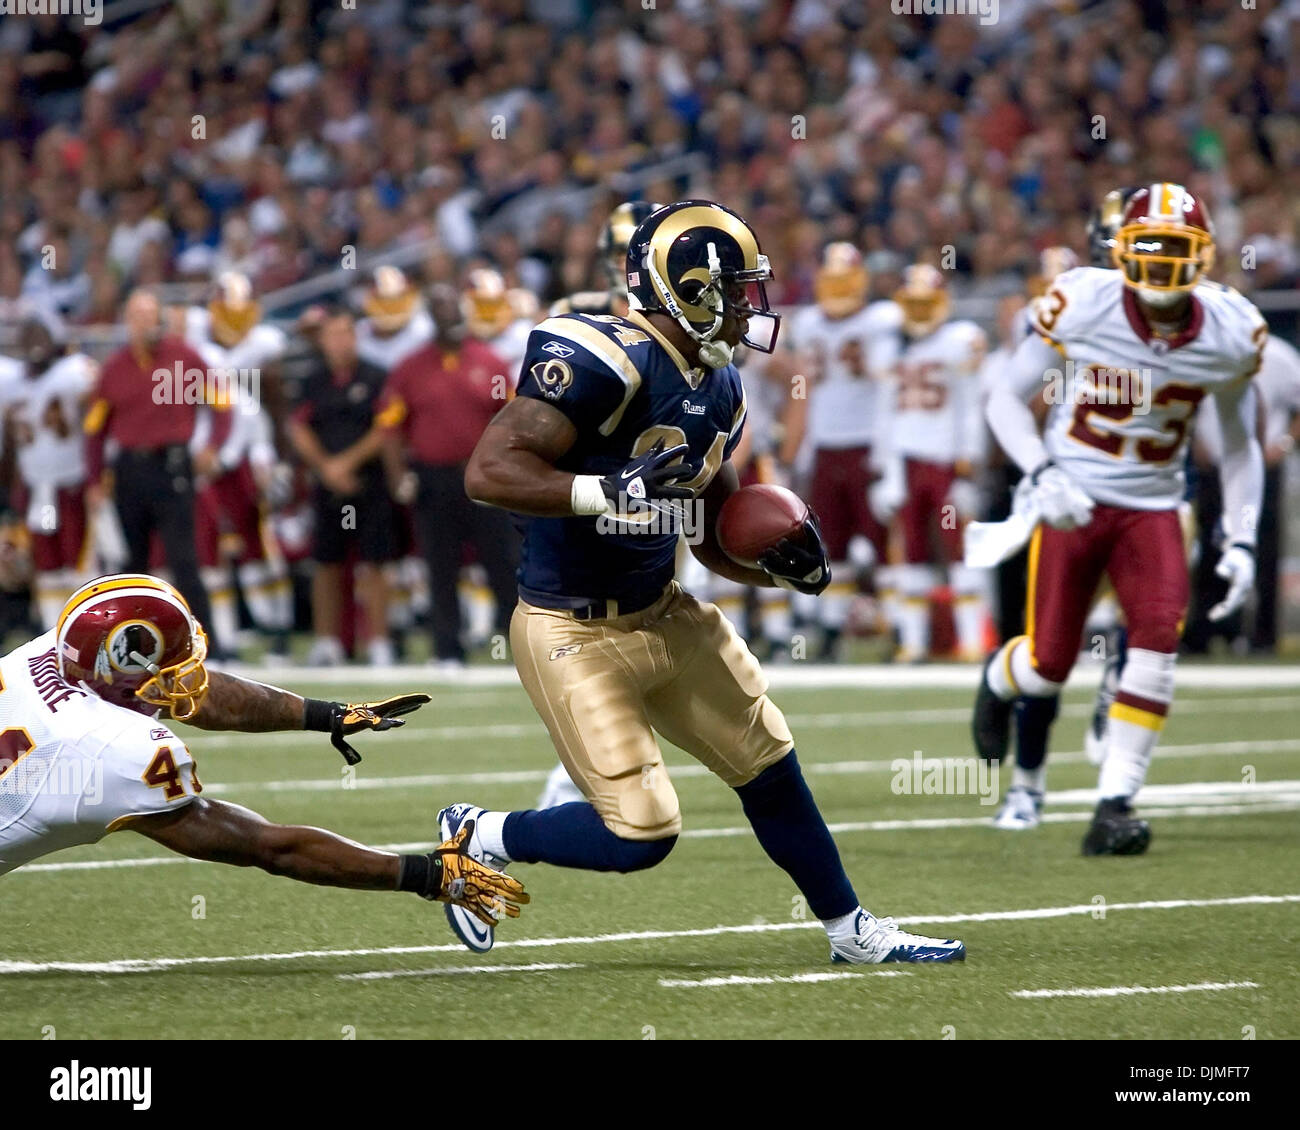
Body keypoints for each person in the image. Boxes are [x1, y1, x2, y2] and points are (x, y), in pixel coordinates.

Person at [449, 199, 966, 965]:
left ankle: (852, 931)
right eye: (735, 293)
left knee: (769, 759)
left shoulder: (719, 387)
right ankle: (480, 833)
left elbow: (713, 532)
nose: (747, 310)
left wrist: (780, 566)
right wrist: (606, 489)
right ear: (686, 290)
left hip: (664, 610)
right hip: (572, 627)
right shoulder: (605, 357)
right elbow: (488, 472)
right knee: (640, 834)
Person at [974, 183, 1266, 855]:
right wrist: (1042, 474)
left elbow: (1243, 444)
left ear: (1205, 257)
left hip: (1154, 504)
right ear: (1121, 251)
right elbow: (1005, 402)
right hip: (1074, 496)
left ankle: (1115, 804)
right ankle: (998, 676)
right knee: (1049, 665)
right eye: (1150, 246)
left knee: (1157, 643)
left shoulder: (1230, 331)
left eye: (1177, 248)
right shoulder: (1081, 301)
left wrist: (1243, 536)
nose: (1163, 263)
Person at [0, 573, 527, 928]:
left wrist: (325, 715)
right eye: (175, 663)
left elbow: (198, 693)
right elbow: (268, 848)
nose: (189, 676)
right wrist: (426, 875)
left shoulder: (58, 652)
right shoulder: (112, 749)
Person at [346, 284, 518, 667]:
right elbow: (390, 424)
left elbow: (510, 420)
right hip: (433, 477)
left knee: (501, 562)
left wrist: (508, 469)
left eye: (451, 309)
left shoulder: (490, 362)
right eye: (439, 310)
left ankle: (517, 645)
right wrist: (397, 475)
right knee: (440, 565)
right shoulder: (410, 367)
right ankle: (447, 649)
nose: (447, 317)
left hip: (484, 476)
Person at [83, 290, 218, 653]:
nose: (145, 324)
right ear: (127, 322)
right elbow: (95, 429)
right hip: (129, 468)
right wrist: (95, 479)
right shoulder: (114, 367)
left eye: (150, 315)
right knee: (131, 563)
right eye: (137, 316)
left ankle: (207, 641)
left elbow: (222, 403)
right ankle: (132, 644)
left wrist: (213, 446)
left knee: (183, 557)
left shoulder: (183, 356)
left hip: (171, 464)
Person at [781, 243, 898, 660]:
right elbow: (802, 391)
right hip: (826, 445)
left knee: (882, 544)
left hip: (867, 444)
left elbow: (888, 381)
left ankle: (897, 629)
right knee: (831, 543)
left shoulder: (882, 319)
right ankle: (831, 629)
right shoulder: (809, 323)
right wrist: (799, 449)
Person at [873, 264, 989, 663]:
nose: (920, 312)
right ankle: (915, 643)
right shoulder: (891, 346)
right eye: (914, 304)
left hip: (944, 463)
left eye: (927, 304)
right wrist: (885, 469)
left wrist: (966, 468)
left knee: (959, 550)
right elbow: (884, 414)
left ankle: (972, 640)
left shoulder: (960, 341)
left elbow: (970, 409)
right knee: (913, 552)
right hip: (906, 464)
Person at [182, 272, 293, 660]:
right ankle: (222, 634)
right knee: (209, 549)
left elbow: (257, 414)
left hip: (245, 455)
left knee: (262, 546)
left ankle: (277, 626)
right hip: (206, 457)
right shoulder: (194, 347)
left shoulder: (263, 345)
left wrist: (265, 455)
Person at [286, 310, 394, 666]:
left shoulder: (376, 376)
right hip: (328, 485)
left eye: (345, 333)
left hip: (369, 480)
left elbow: (386, 427)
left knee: (375, 562)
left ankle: (378, 641)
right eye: (332, 334)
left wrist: (345, 463)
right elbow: (298, 427)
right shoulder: (312, 380)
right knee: (326, 562)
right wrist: (326, 467)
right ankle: (327, 641)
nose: (339, 341)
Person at [0, 317, 97, 628]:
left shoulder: (73, 372)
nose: (34, 349)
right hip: (37, 489)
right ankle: (54, 633)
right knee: (47, 562)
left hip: (72, 484)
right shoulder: (10, 379)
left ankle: (87, 629)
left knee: (79, 561)